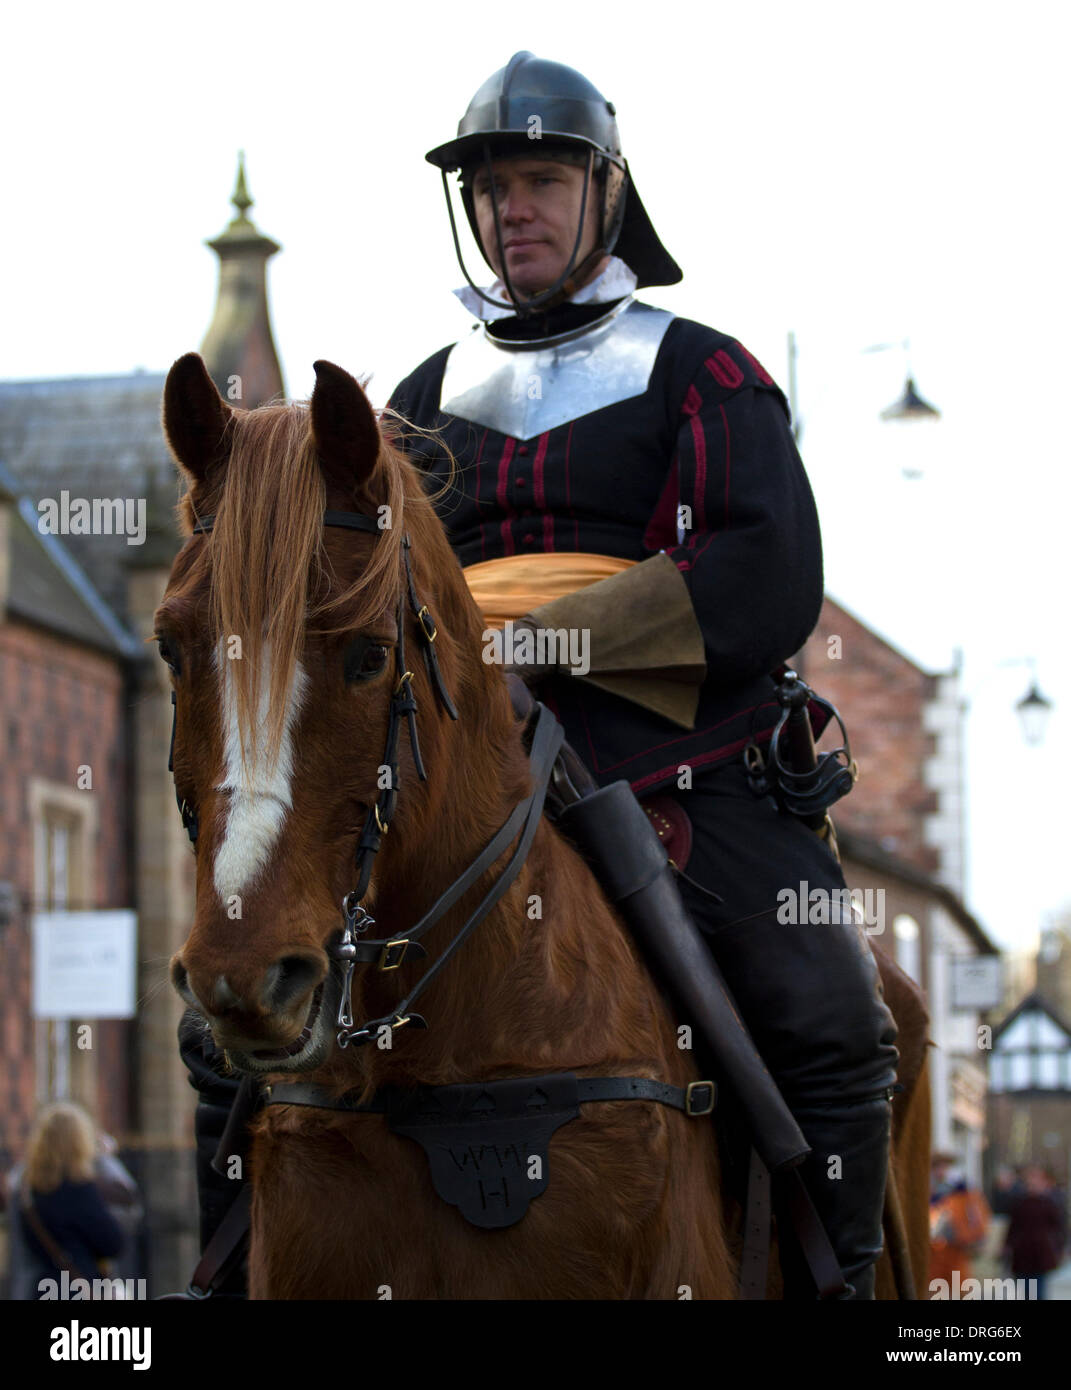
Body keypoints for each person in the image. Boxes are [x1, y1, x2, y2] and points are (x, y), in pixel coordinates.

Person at [178, 51, 899, 1300]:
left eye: (543, 179)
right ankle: (220, 1268)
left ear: (605, 194)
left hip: (680, 767)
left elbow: (764, 580)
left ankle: (852, 1289)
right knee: (223, 1028)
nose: (515, 206)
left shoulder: (705, 370)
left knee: (831, 1011)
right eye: (494, 186)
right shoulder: (414, 401)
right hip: (461, 764)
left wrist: (539, 642)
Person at [5, 1101, 125, 1300]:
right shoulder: (78, 1188)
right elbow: (113, 1243)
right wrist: (106, 1160)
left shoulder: (24, 1189)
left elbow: (19, 1250)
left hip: (35, 1290)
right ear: (79, 1142)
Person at [1001, 1165, 1066, 1299]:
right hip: (1022, 1253)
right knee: (1026, 1290)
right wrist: (1007, 1245)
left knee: (1038, 1291)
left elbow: (1058, 1228)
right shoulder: (1019, 1202)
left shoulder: (1050, 1203)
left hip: (1041, 1254)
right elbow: (1013, 1226)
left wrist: (1059, 1248)